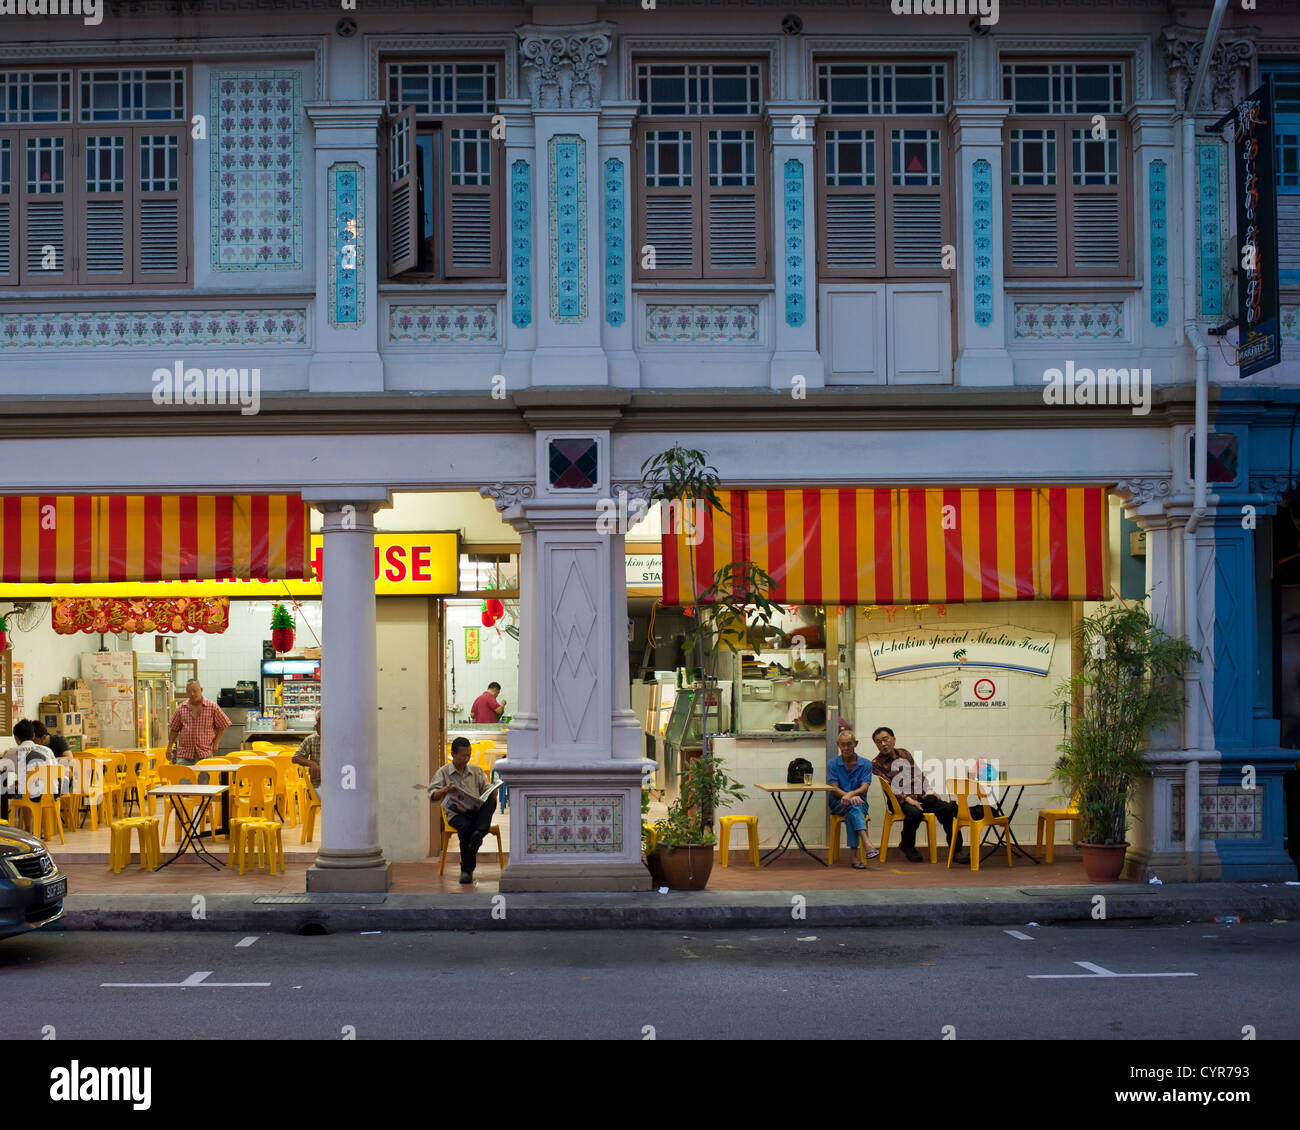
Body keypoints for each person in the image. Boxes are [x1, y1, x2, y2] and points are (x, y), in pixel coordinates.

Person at [870, 726, 968, 864]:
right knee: (915, 813)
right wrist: (908, 799)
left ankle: (956, 850)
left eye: (885, 739)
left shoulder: (904, 753)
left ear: (893, 739)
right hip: (899, 800)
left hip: (919, 795)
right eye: (878, 742)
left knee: (948, 808)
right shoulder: (876, 763)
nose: (883, 744)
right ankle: (907, 845)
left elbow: (918, 774)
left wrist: (928, 790)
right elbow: (891, 787)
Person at [427, 736, 497, 884]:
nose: (467, 759)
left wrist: (493, 790)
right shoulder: (444, 772)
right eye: (463, 755)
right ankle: (467, 870)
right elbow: (432, 795)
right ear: (453, 754)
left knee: (491, 800)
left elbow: (488, 790)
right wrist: (446, 789)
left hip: (476, 812)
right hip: (457, 814)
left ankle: (479, 833)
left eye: (469, 755)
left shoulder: (476, 771)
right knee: (466, 828)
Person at [827, 728, 879, 868]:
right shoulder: (832, 763)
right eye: (842, 744)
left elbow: (864, 787)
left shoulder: (866, 764)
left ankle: (855, 856)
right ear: (838, 744)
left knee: (853, 810)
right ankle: (866, 843)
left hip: (860, 803)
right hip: (837, 802)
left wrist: (850, 795)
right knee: (853, 807)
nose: (846, 747)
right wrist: (848, 796)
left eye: (849, 744)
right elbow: (834, 788)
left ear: (855, 744)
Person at [0, 719, 58, 820]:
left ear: (17, 738)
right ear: (33, 735)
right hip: (51, 794)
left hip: (30, 796)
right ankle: (43, 830)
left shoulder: (13, 752)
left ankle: (23, 828)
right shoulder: (47, 750)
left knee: (10, 786)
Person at [164, 680, 231, 765]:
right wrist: (169, 747)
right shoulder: (181, 708)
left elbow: (222, 725)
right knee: (183, 778)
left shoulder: (212, 707)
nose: (192, 694)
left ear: (201, 690)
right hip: (184, 755)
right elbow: (174, 729)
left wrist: (216, 743)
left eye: (195, 691)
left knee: (204, 778)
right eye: (189, 691)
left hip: (205, 754)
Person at [292, 711, 321, 787]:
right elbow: (295, 758)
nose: (315, 725)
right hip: (316, 787)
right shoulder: (311, 739)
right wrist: (312, 763)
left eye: (318, 722)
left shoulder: (339, 741)